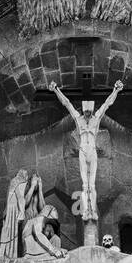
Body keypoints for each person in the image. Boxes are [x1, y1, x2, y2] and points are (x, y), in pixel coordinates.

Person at [48, 81, 123, 221]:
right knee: (85, 185)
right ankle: (85, 212)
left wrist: (116, 90)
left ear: (92, 110)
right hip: (82, 152)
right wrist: (56, 90)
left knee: (92, 184)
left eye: (89, 112)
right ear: (83, 110)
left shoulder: (97, 118)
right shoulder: (78, 119)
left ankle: (92, 211)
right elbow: (67, 103)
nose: (87, 114)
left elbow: (107, 103)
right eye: (86, 112)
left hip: (92, 152)